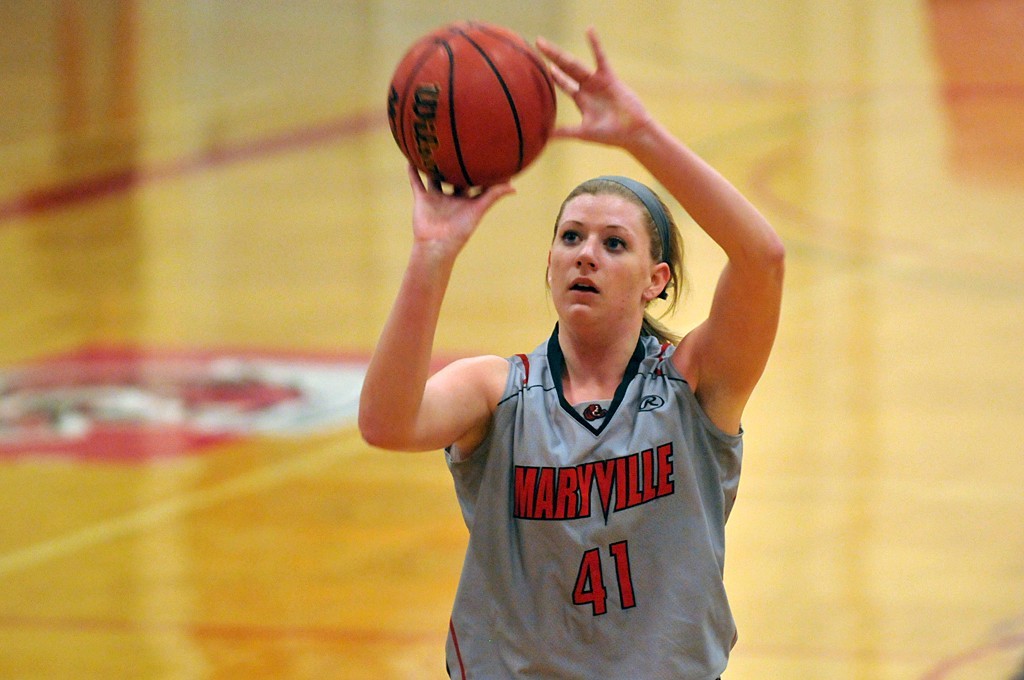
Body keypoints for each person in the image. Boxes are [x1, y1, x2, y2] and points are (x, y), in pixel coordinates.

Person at [359, 27, 784, 680]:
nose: (586, 254)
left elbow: (763, 259)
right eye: (571, 237)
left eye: (614, 244)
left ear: (656, 280)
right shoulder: (497, 392)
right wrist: (432, 254)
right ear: (551, 261)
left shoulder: (694, 386)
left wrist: (641, 135)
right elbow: (385, 424)